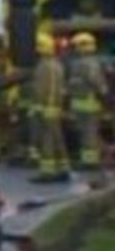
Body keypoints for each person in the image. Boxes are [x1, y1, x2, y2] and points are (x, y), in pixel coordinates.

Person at [32, 33, 71, 183]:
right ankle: (64, 168)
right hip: (55, 107)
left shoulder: (43, 66)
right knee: (57, 139)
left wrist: (37, 107)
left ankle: (47, 173)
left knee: (47, 140)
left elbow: (41, 89)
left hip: (46, 109)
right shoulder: (57, 65)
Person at [68, 32, 110, 170]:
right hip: (85, 103)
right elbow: (96, 82)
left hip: (83, 103)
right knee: (87, 133)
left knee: (86, 133)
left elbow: (94, 82)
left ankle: (89, 161)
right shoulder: (86, 63)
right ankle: (89, 161)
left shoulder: (82, 64)